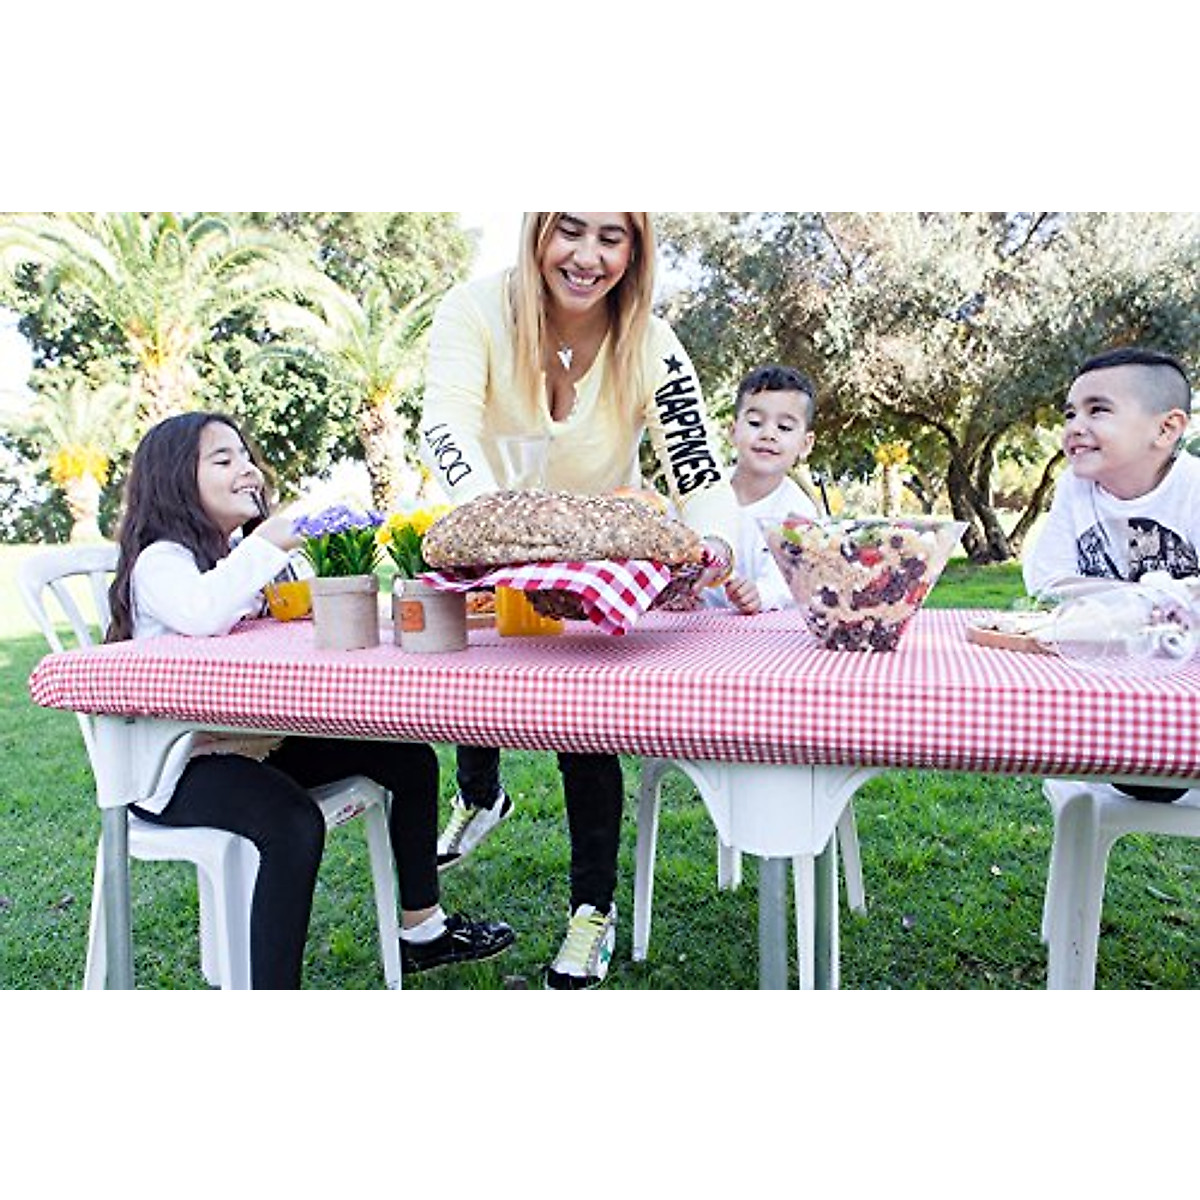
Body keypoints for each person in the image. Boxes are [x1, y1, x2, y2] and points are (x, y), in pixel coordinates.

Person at [418, 212, 748, 989]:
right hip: (496, 542)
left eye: (613, 237)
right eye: (571, 230)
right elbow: (446, 422)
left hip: (595, 569)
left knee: (586, 729)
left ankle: (591, 916)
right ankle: (480, 793)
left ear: (635, 250)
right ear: (537, 232)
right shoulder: (472, 312)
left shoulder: (652, 342)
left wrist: (717, 544)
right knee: (473, 682)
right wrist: (500, 524)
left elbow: (696, 463)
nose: (589, 257)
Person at [106, 412, 514, 988]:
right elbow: (202, 612)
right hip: (168, 771)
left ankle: (423, 930)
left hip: (250, 745)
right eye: (223, 460)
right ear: (173, 481)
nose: (246, 469)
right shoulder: (162, 562)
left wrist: (276, 555)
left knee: (406, 755)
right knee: (293, 822)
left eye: (245, 456)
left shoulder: (229, 554)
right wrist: (269, 540)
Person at [1023, 346, 1198, 802]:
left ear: (1166, 428)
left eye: (1097, 410)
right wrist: (1161, 602)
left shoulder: (1194, 489)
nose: (1074, 427)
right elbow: (1047, 583)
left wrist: (1112, 604)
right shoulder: (1075, 487)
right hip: (1123, 684)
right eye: (1069, 413)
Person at [705, 364, 821, 615]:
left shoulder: (798, 513)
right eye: (756, 422)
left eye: (785, 428)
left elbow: (792, 578)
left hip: (767, 635)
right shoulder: (704, 491)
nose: (768, 434)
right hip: (690, 630)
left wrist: (761, 595)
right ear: (733, 431)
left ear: (805, 444)